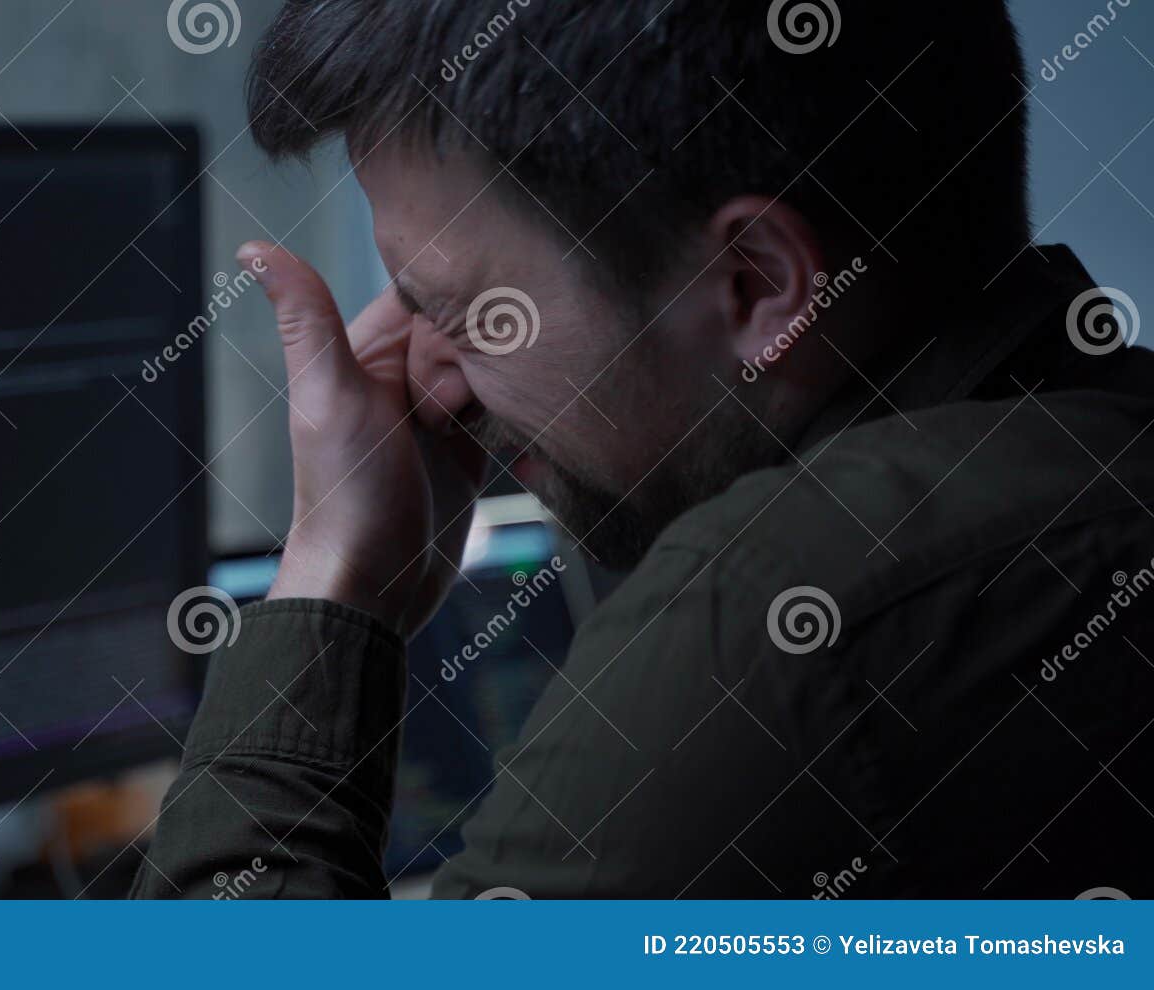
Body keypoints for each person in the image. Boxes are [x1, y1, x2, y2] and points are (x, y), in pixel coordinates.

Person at [133, 0, 1154, 898]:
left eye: (460, 310)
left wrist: (331, 580)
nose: (430, 381)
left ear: (754, 283)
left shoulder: (769, 619)